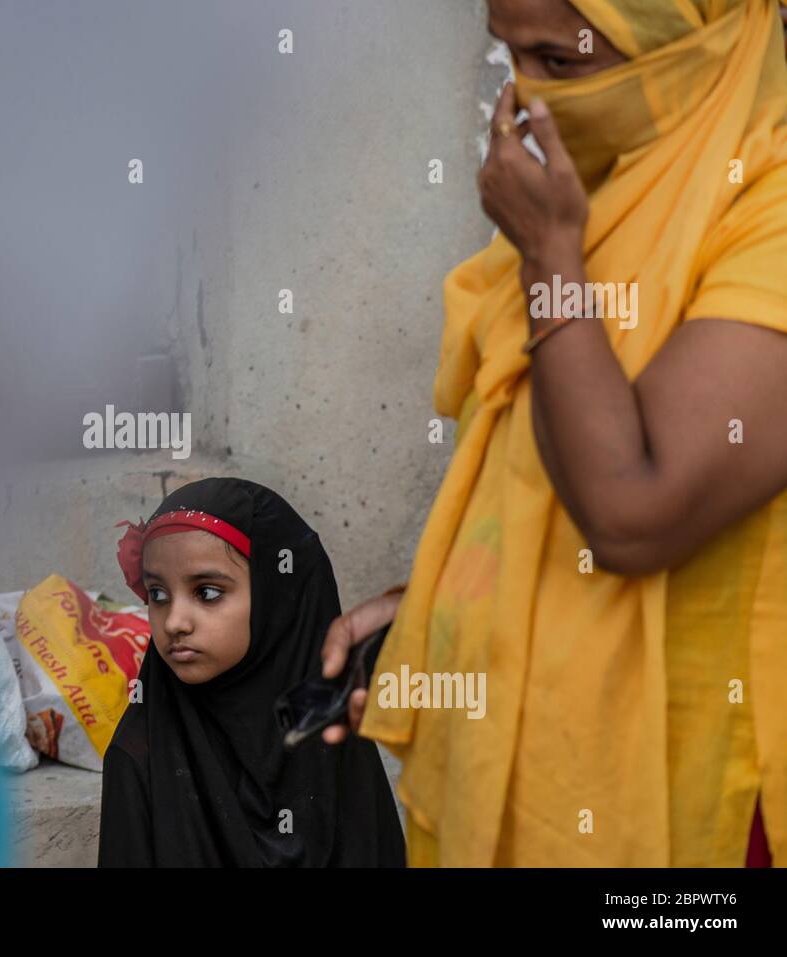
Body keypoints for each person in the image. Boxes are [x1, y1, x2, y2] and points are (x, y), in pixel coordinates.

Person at [322, 0, 787, 867]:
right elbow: (537, 476)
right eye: (510, 59)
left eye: (559, 63)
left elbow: (630, 508)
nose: (526, 101)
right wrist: (436, 603)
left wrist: (549, 260)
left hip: (701, 816)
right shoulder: (608, 183)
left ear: (691, 46)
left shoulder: (764, 212)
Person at [97, 477, 405, 867]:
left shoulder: (329, 732)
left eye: (207, 592)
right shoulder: (142, 755)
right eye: (157, 594)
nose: (174, 621)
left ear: (277, 597)